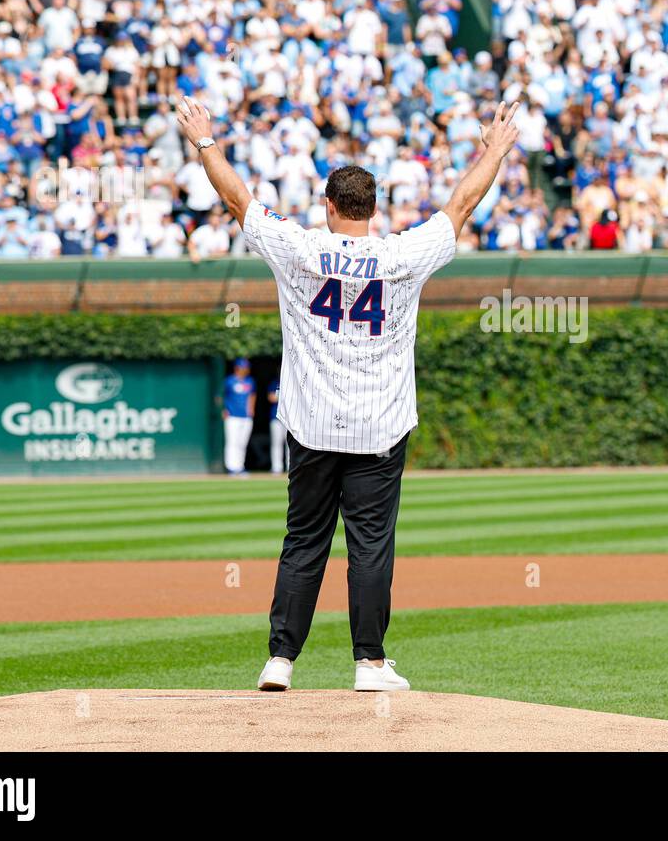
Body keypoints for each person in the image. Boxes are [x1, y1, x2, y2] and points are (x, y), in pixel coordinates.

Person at [175, 96, 522, 694]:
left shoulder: (301, 248)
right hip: (380, 426)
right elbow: (462, 203)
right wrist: (493, 149)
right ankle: (368, 664)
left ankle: (280, 661)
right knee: (369, 545)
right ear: (374, 208)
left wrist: (204, 141)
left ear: (328, 206)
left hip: (310, 423)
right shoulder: (402, 253)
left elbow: (237, 200)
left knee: (303, 540)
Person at [222, 357, 255, 477]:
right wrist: (223, 409)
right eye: (243, 368)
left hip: (246, 416)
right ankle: (231, 467)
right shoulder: (229, 381)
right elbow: (221, 396)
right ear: (237, 368)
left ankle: (240, 467)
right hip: (232, 415)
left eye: (246, 368)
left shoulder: (250, 381)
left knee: (242, 443)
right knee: (232, 442)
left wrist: (251, 409)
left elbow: (252, 395)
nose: (245, 370)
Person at [267, 376, 286, 475]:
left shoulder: (294, 380)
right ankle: (276, 467)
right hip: (276, 417)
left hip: (289, 419)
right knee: (276, 443)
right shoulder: (275, 383)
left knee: (290, 445)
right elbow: (271, 398)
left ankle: (290, 467)